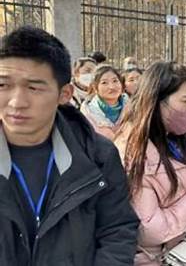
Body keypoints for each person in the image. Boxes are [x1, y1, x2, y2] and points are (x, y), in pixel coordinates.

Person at [0, 26, 139, 265]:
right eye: (3, 85)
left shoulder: (97, 155)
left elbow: (117, 229)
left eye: (34, 87)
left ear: (65, 94)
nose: (16, 102)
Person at [114, 62, 186, 266]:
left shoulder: (180, 136)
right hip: (158, 256)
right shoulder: (132, 152)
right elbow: (151, 230)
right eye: (185, 102)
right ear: (156, 100)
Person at [80, 66, 128, 140]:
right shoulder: (88, 112)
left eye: (115, 81)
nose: (111, 87)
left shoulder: (131, 107)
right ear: (95, 88)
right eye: (104, 83)